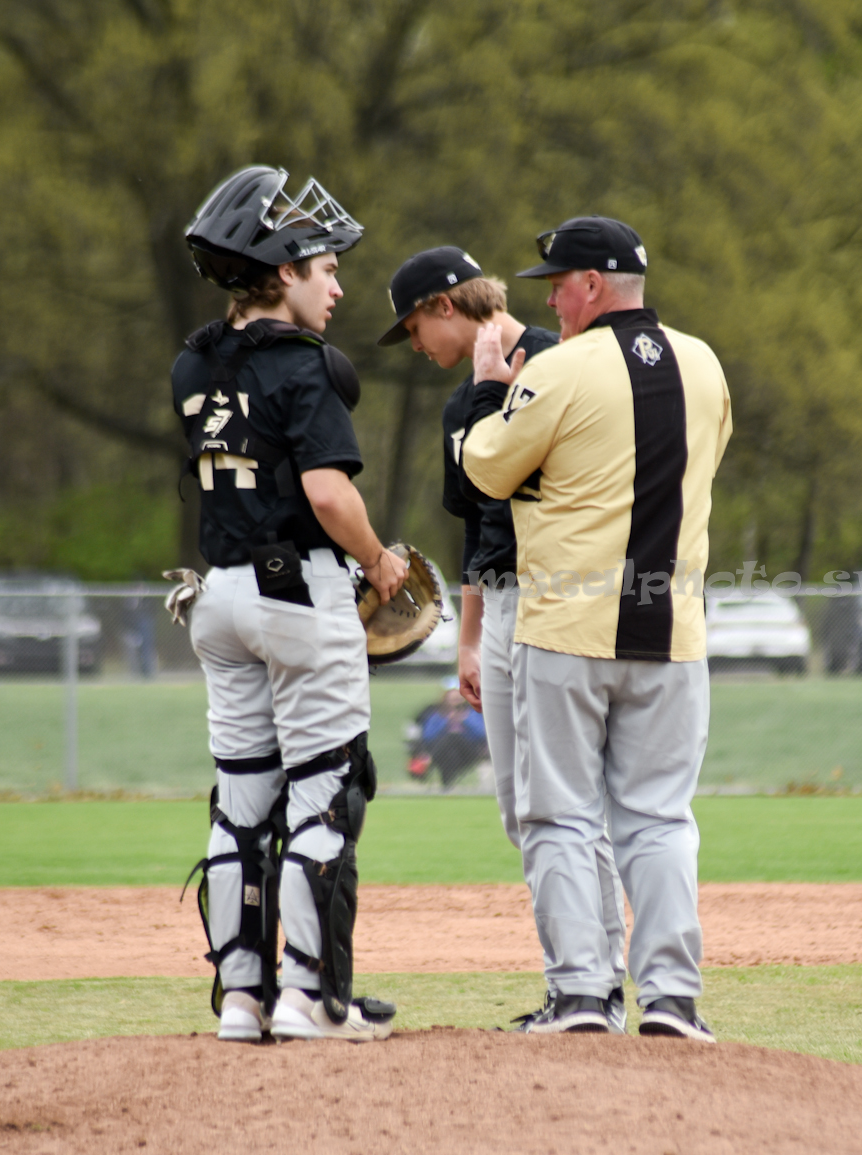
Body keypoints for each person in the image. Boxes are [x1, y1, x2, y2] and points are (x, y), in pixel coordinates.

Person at [462, 216, 732, 1041]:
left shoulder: (561, 366)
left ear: (591, 285)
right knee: (659, 818)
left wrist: (484, 392)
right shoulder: (706, 363)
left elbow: (485, 465)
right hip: (672, 630)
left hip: (568, 626)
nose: (551, 298)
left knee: (562, 817)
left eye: (556, 283)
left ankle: (582, 995)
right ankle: (673, 1003)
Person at [175, 166, 406, 1044]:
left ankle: (241, 998)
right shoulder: (302, 366)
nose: (338, 282)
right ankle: (310, 1000)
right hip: (297, 593)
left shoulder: (190, 360)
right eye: (322, 266)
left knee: (240, 802)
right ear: (280, 270)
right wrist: (380, 562)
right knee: (325, 796)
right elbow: (327, 496)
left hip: (220, 595)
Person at [377, 245, 629, 1031]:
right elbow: (482, 530)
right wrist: (468, 638)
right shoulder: (462, 408)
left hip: (569, 601)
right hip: (507, 609)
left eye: (415, 324)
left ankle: (593, 985)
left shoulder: (565, 364)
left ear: (447, 305)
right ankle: (583, 985)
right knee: (524, 809)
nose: (415, 344)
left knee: (567, 802)